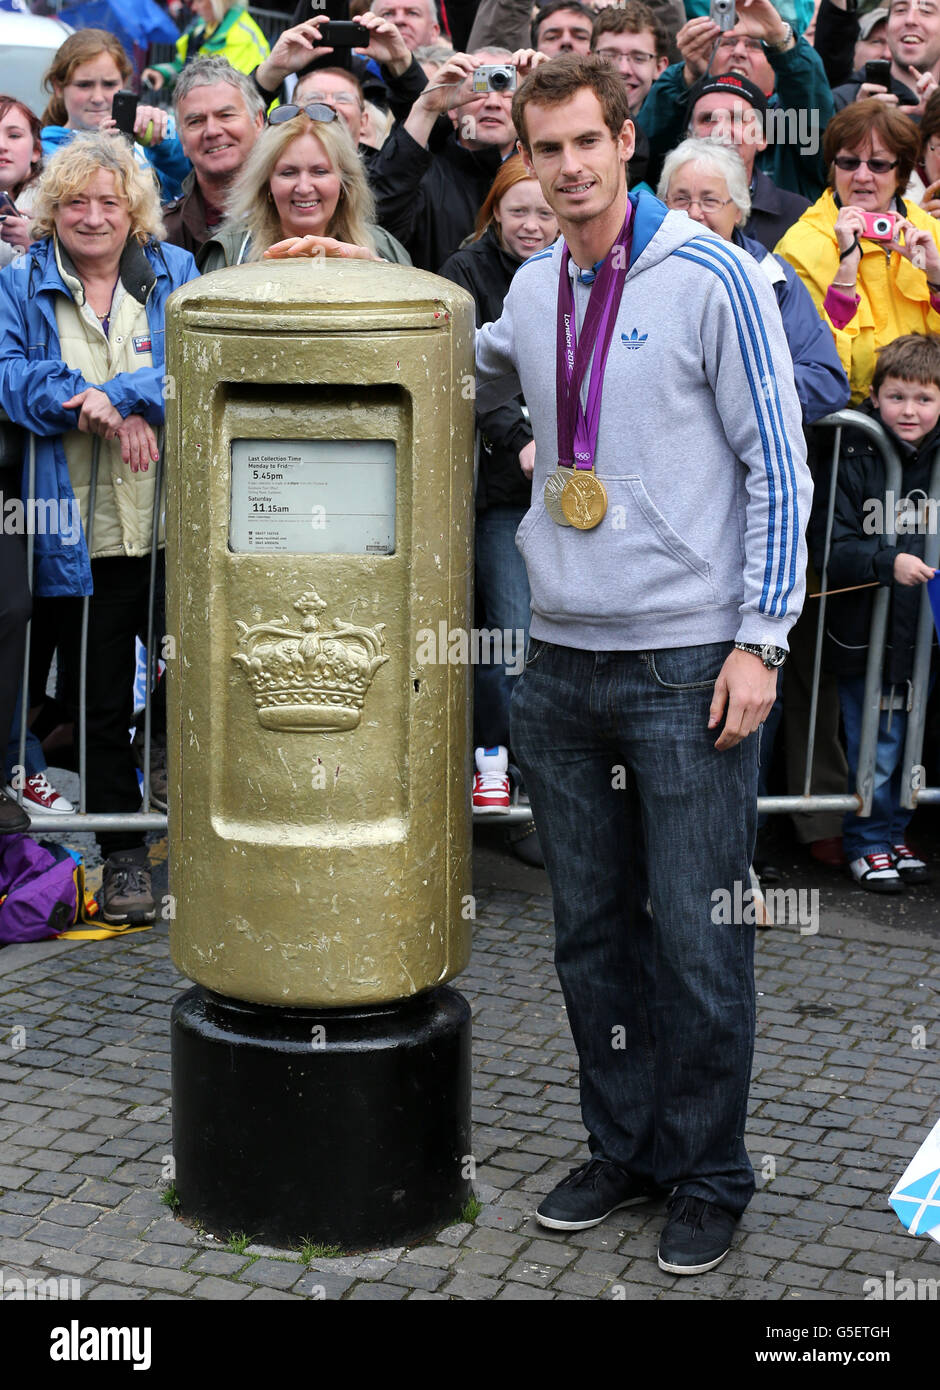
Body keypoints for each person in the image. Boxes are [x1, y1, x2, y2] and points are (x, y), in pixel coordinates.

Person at [474, 54, 812, 1272]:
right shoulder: (526, 285)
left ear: (625, 138)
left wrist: (759, 641)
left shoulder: (713, 273)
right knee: (591, 932)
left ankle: (710, 1168)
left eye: (584, 144)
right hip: (560, 662)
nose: (566, 169)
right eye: (543, 150)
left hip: (687, 665)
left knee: (698, 936)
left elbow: (781, 463)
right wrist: (342, 267)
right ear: (525, 156)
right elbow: (460, 362)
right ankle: (625, 1147)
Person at [0, 134, 199, 924]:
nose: (91, 216)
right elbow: (8, 377)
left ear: (135, 212)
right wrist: (86, 401)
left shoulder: (175, 273)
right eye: (75, 201)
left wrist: (128, 395)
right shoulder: (22, 281)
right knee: (99, 701)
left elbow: (197, 360)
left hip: (173, 524)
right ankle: (123, 859)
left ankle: (220, 834)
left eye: (108, 201)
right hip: (80, 531)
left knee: (201, 682)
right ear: (53, 211)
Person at [438, 154, 558, 863]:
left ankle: (550, 795)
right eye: (519, 211)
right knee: (508, 642)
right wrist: (518, 436)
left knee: (559, 649)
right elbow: (466, 369)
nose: (533, 225)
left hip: (573, 497)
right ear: (495, 211)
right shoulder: (465, 274)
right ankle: (504, 786)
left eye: (546, 212)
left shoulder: (583, 268)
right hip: (500, 496)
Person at [821, 333, 939, 891]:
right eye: (897, 397)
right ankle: (866, 840)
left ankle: (895, 833)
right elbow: (828, 543)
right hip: (864, 631)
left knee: (913, 734)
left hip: (925, 630)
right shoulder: (854, 446)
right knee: (878, 738)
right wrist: (886, 561)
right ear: (874, 396)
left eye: (923, 399)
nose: (909, 411)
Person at [659, 138, 850, 421]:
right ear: (664, 205)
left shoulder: (773, 277)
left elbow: (825, 380)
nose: (694, 213)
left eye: (710, 200)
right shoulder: (639, 269)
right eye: (681, 199)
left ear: (738, 210)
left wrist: (737, 389)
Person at [776, 100, 940, 403]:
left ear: (901, 171)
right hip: (849, 428)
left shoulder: (931, 232)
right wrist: (845, 273)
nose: (862, 176)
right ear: (833, 166)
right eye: (849, 162)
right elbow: (818, 370)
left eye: (878, 165)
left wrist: (936, 281)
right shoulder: (798, 246)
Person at [637, 0, 834, 200]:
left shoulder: (792, 127)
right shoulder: (682, 106)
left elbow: (815, 123)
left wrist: (779, 38)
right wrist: (687, 77)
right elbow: (645, 156)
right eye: (728, 42)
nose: (738, 52)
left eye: (755, 45)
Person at [368, 47, 540, 270]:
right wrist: (427, 107)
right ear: (452, 108)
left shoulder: (540, 172)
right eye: (480, 87)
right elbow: (378, 218)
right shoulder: (422, 173)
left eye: (506, 91)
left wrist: (554, 91)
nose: (493, 103)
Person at [198, 103, 411, 269]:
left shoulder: (384, 248)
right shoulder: (230, 254)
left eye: (320, 171)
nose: (304, 187)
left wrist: (376, 270)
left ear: (345, 182)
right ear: (267, 184)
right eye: (288, 173)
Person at [41, 29, 190, 202]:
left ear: (125, 83)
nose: (97, 98)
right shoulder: (41, 151)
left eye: (109, 84)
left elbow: (187, 185)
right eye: (84, 85)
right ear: (58, 88)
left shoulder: (144, 145)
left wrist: (164, 144)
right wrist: (102, 149)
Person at [685, 71, 811, 250]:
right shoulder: (665, 212)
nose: (720, 131)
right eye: (707, 119)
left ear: (762, 138)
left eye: (737, 118)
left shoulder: (799, 215)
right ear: (689, 135)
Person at [162, 58, 265, 257]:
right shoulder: (163, 235)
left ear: (258, 121)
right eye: (196, 121)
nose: (212, 131)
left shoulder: (294, 217)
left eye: (225, 115)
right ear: (182, 139)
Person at [142, 1, 270, 95]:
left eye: (199, 0)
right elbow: (185, 66)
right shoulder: (203, 26)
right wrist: (162, 74)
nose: (194, 7)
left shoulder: (242, 36)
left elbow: (231, 93)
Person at [830, 0, 940, 110]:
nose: (910, 19)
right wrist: (859, 121)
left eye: (926, 11)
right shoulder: (837, 100)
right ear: (887, 30)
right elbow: (814, 122)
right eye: (900, 10)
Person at [0, 96, 42, 269]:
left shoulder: (63, 205)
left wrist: (38, 245)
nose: (1, 145)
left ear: (36, 151)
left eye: (14, 135)